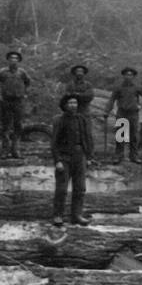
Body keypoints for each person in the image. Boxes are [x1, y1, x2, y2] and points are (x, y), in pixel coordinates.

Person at [51, 93, 95, 225]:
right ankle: (58, 215)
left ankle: (76, 215)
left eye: (75, 103)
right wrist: (57, 160)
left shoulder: (82, 119)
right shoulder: (59, 120)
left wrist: (89, 156)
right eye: (70, 103)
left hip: (79, 156)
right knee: (62, 189)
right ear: (65, 105)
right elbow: (54, 143)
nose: (73, 105)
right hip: (64, 157)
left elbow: (87, 138)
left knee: (80, 188)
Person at [0, 50, 30, 158]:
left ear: (19, 61)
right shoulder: (2, 72)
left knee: (18, 125)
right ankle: (5, 151)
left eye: (16, 58)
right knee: (5, 126)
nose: (13, 60)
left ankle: (16, 150)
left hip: (18, 101)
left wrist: (24, 93)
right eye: (11, 58)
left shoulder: (22, 72)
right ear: (8, 60)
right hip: (6, 101)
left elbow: (27, 82)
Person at [107, 66, 142, 164]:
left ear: (133, 76)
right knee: (121, 135)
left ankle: (134, 156)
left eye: (130, 75)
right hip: (122, 113)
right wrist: (107, 110)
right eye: (126, 75)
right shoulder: (119, 87)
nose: (128, 76)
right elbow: (112, 99)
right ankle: (119, 156)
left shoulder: (137, 87)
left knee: (133, 136)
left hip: (133, 114)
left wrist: (140, 106)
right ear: (123, 76)